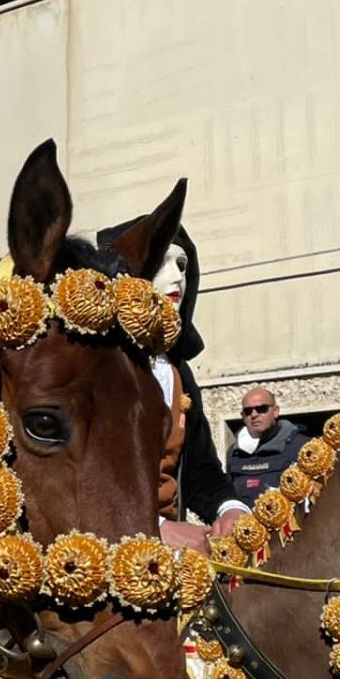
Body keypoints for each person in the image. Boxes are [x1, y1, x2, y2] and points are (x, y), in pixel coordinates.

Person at [88, 219, 246, 552]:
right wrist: (155, 528)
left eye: (183, 265)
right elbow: (80, 476)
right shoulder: (95, 362)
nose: (177, 277)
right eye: (162, 262)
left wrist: (230, 508)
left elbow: (201, 471)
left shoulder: (179, 373)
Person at [225, 387, 309, 499]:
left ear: (275, 411)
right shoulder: (234, 452)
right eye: (248, 411)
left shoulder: (302, 446)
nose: (254, 415)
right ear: (243, 416)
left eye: (261, 409)